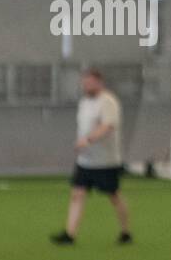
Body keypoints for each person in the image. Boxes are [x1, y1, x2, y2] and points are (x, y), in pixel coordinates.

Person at [51, 67, 131, 245]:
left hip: (105, 162)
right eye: (84, 83)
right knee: (77, 194)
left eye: (90, 82)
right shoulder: (85, 102)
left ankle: (126, 232)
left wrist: (88, 140)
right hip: (86, 161)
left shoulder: (108, 101)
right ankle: (69, 234)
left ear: (99, 82)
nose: (86, 86)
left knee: (114, 196)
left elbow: (108, 126)